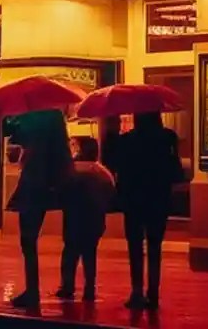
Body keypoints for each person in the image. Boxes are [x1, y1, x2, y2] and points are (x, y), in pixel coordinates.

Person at [114, 111, 183, 309]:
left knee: (135, 246)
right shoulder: (168, 137)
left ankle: (136, 291)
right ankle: (153, 292)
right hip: (158, 197)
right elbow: (175, 168)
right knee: (155, 246)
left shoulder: (126, 140)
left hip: (133, 197)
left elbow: (119, 167)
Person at [6, 111, 73, 311]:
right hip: (52, 181)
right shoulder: (55, 117)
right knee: (59, 238)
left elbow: (15, 138)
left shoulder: (28, 118)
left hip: (34, 179)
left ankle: (32, 291)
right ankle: (44, 288)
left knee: (28, 240)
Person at [57, 136, 116, 302]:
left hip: (73, 217)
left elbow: (61, 192)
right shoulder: (102, 172)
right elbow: (111, 194)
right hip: (94, 218)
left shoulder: (71, 170)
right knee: (90, 254)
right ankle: (89, 287)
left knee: (70, 252)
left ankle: (67, 286)